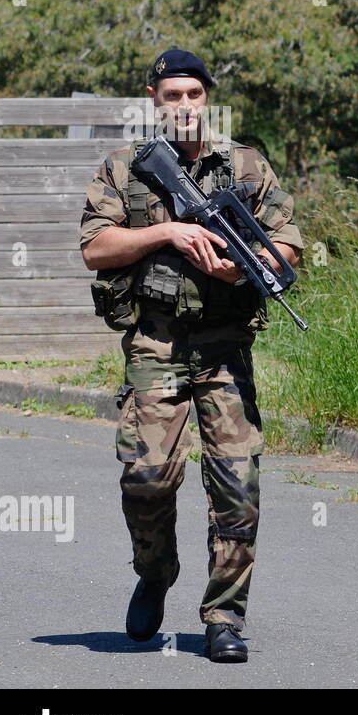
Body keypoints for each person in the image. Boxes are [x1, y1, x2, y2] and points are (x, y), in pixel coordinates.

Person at [80, 49, 303, 663]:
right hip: (155, 346)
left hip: (225, 349)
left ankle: (225, 616)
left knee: (237, 483)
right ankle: (155, 573)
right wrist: (168, 233)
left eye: (194, 95)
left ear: (208, 97)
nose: (184, 106)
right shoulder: (126, 169)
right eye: (172, 95)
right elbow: (96, 248)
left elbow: (287, 250)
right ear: (154, 97)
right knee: (147, 478)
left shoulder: (247, 168)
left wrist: (243, 270)